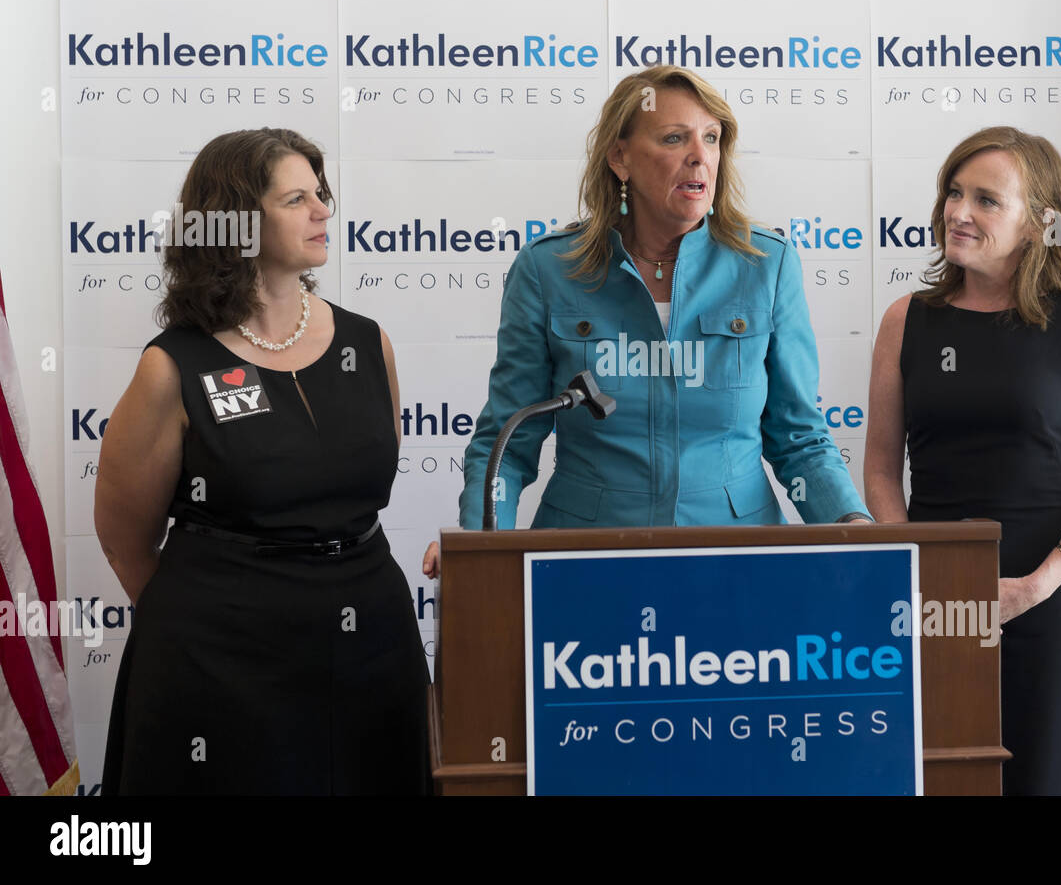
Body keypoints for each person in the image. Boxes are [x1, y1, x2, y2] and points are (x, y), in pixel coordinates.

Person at [95, 128, 429, 794]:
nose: (323, 211)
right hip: (223, 668)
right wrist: (218, 621)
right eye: (297, 198)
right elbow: (126, 540)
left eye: (321, 194)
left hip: (372, 647)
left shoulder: (370, 343)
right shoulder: (173, 366)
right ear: (237, 223)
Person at [456, 66, 868, 531]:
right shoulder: (549, 270)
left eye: (711, 138)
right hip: (588, 555)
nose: (699, 157)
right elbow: (508, 443)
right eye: (675, 139)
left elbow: (798, 438)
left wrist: (848, 519)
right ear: (620, 158)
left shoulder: (766, 265)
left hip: (735, 554)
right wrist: (479, 545)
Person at [864, 126, 1061, 795]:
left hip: (1048, 597)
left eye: (987, 200)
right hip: (931, 603)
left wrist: (1035, 586)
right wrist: (915, 569)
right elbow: (878, 468)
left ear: (1040, 220)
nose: (959, 212)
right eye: (954, 193)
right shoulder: (907, 320)